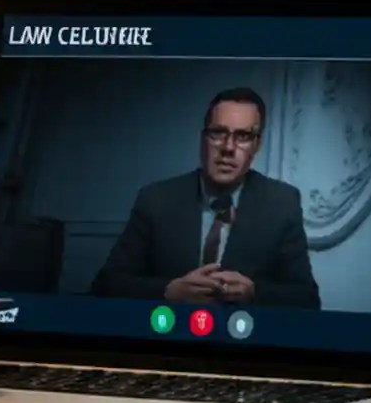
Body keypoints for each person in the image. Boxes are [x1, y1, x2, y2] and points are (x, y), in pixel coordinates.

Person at [90, 87, 321, 310]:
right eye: (218, 133)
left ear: (256, 146)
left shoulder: (282, 204)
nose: (228, 148)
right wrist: (169, 292)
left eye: (242, 136)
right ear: (203, 139)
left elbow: (307, 299)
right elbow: (107, 284)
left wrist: (254, 293)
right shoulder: (156, 199)